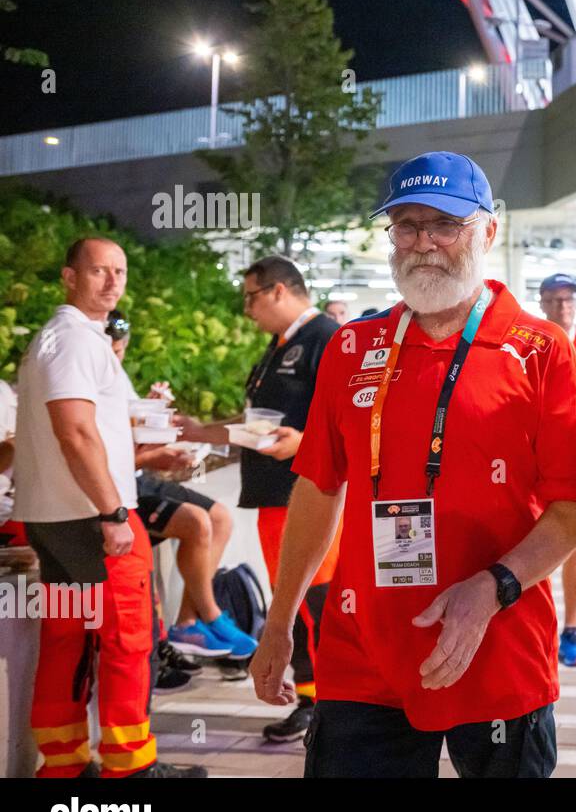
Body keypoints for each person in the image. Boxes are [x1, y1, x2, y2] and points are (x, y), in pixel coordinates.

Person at [249, 151, 576, 778]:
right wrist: (278, 622)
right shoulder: (353, 347)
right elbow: (319, 489)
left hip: (498, 649)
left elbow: (574, 510)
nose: (424, 243)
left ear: (488, 231)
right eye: (406, 225)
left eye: (445, 223)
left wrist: (495, 586)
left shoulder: (541, 351)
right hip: (363, 651)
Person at [14, 237, 203, 777]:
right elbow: (73, 432)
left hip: (56, 518)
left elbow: (90, 430)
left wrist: (147, 456)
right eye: (99, 270)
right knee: (126, 639)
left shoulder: (67, 339)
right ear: (69, 277)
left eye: (119, 271)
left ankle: (64, 764)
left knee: (68, 641)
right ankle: (131, 767)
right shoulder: (75, 340)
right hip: (94, 520)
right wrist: (114, 512)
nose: (113, 281)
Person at [179, 256, 340, 741]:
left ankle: (335, 707)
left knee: (320, 602)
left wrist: (306, 440)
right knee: (292, 605)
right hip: (274, 498)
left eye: (250, 297)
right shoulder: (276, 348)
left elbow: (353, 417)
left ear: (277, 291)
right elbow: (255, 426)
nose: (246, 309)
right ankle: (312, 699)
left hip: (313, 496)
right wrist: (198, 431)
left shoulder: (327, 338)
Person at [107, 311, 257, 661]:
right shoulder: (86, 379)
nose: (115, 355)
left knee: (220, 517)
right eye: (110, 349)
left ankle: (188, 622)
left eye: (120, 350)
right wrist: (156, 452)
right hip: (121, 488)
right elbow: (108, 453)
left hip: (140, 475)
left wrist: (152, 409)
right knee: (196, 522)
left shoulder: (115, 377)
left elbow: (131, 433)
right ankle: (211, 614)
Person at [537, 272, 576, 668]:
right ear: (542, 303)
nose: (563, 306)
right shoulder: (533, 342)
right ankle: (538, 628)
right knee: (537, 543)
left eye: (568, 299)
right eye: (555, 299)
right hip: (543, 459)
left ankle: (571, 630)